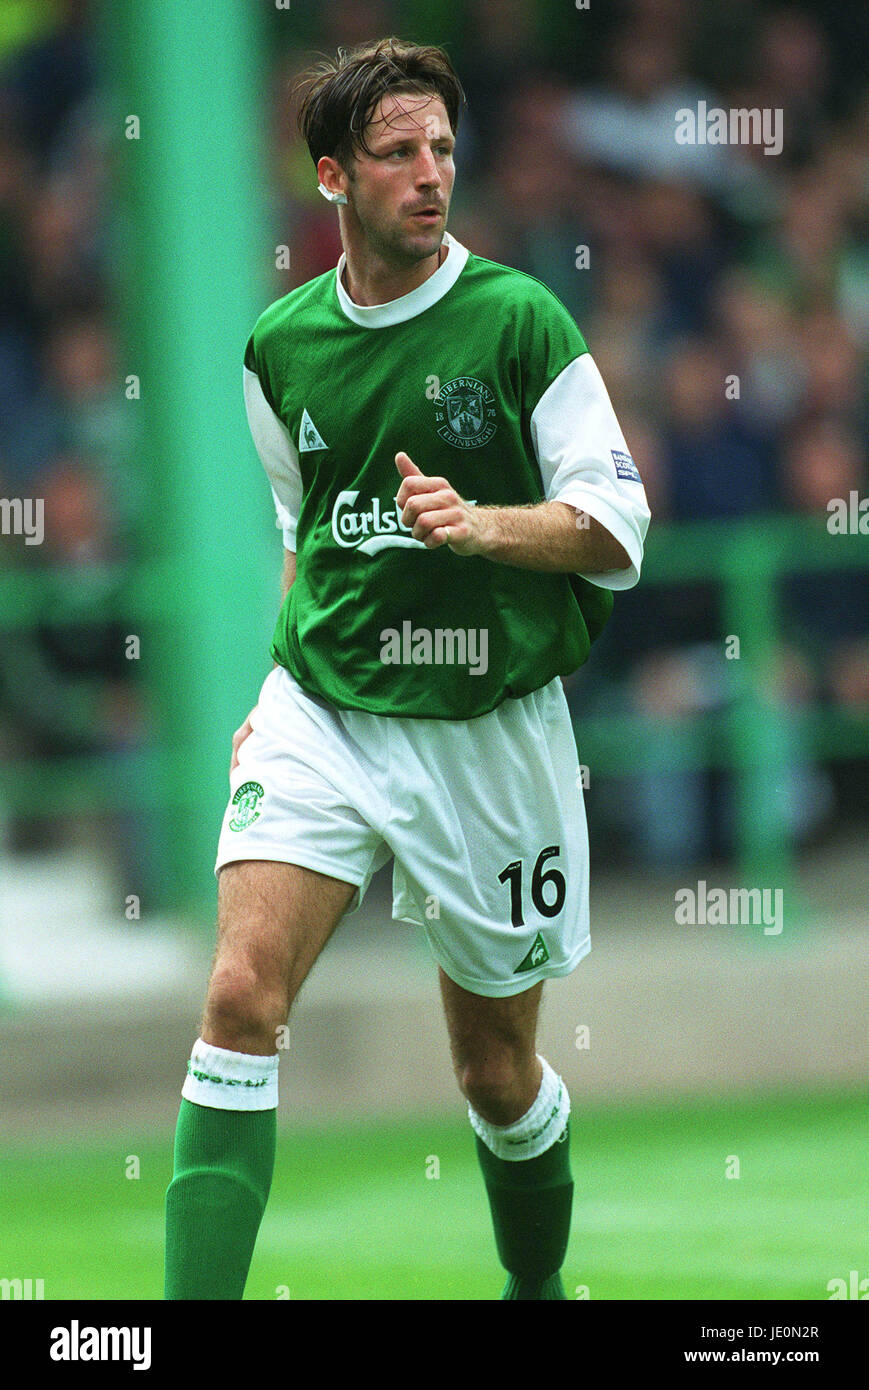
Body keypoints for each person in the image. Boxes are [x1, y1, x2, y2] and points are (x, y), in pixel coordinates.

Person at [164, 36, 650, 1302]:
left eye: (441, 147)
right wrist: (267, 705)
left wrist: (485, 524)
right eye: (395, 153)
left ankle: (533, 1290)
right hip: (321, 712)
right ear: (331, 175)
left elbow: (616, 530)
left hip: (485, 729)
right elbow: (301, 535)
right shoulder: (278, 346)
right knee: (236, 996)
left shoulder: (518, 319)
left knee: (493, 1077)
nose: (429, 173)